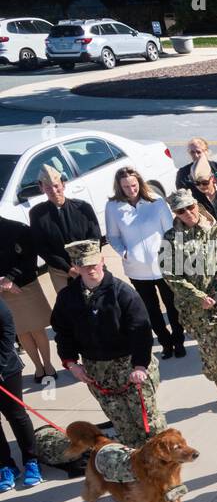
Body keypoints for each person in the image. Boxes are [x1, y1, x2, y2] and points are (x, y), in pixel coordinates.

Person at [50, 240, 166, 448]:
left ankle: (165, 469)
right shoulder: (68, 298)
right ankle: (135, 466)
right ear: (75, 267)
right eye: (84, 265)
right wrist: (71, 363)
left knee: (149, 423)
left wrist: (140, 365)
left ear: (102, 261)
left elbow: (141, 330)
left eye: (94, 263)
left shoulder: (123, 293)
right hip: (97, 371)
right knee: (122, 424)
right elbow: (63, 332)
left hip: (129, 365)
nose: (90, 268)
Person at [158, 189, 217, 412]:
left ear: (197, 205)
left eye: (191, 207)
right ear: (175, 213)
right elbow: (170, 275)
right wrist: (197, 297)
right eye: (181, 210)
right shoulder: (171, 238)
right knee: (208, 351)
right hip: (195, 308)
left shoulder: (216, 231)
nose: (188, 213)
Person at [105, 166, 184, 358]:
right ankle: (165, 342)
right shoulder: (113, 207)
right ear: (119, 187)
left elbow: (170, 232)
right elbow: (112, 236)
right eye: (126, 187)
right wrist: (125, 253)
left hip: (163, 267)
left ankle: (178, 341)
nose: (131, 190)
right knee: (151, 311)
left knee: (173, 307)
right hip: (137, 270)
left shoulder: (156, 202)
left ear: (139, 183)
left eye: (133, 185)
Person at [0, 215, 56, 385]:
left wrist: (10, 278)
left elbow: (30, 257)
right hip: (2, 290)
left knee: (37, 329)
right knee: (22, 331)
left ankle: (48, 365)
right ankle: (38, 367)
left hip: (26, 284)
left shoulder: (18, 228)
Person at [28, 163, 100, 289]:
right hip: (60, 271)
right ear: (41, 188)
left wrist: (84, 263)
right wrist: (68, 269)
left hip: (90, 264)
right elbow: (41, 246)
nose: (54, 191)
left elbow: (95, 236)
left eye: (56, 186)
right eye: (48, 187)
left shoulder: (82, 208)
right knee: (70, 305)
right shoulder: (37, 214)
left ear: (63, 184)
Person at [0, 296, 41, 490]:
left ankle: (31, 461)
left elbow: (7, 333)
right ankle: (5, 465)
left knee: (16, 414)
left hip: (6, 368)